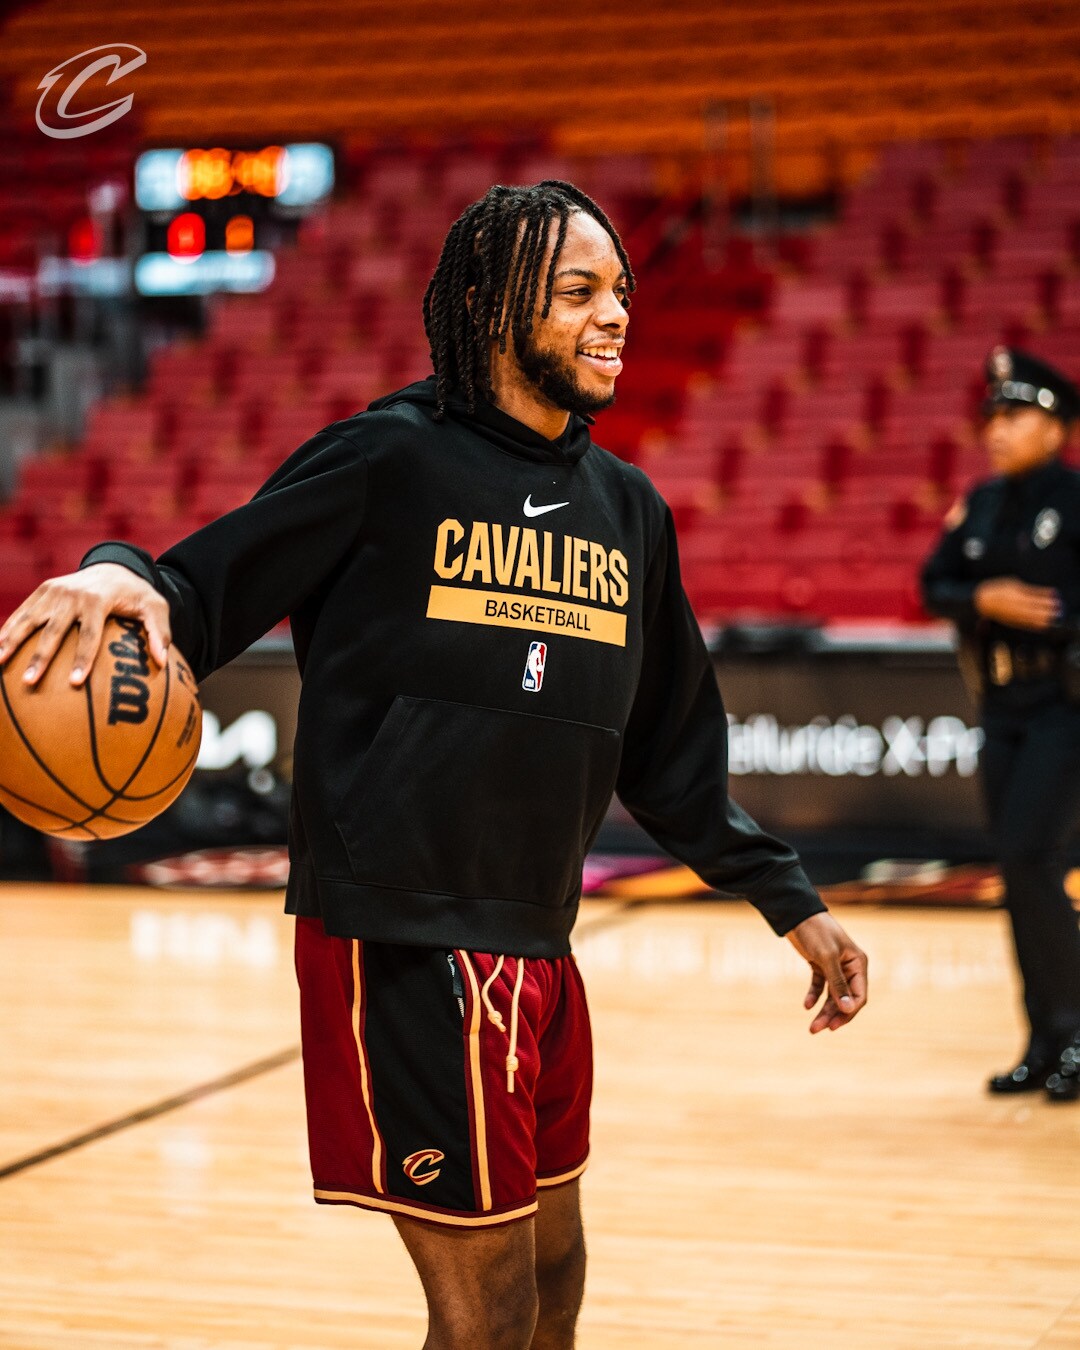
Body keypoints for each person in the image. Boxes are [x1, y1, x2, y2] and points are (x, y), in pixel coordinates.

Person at [0, 181, 868, 1350]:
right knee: (488, 1314)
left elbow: (671, 750)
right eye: (577, 293)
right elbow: (204, 587)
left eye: (621, 292)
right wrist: (121, 571)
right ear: (487, 302)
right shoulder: (387, 459)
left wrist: (790, 901)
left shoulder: (629, 510)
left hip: (540, 939)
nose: (614, 317)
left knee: (555, 1281)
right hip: (404, 935)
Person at [921, 346, 1080, 1104]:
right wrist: (983, 600)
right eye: (992, 416)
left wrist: (1052, 618)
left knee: (1032, 859)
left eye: (1014, 415)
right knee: (1018, 871)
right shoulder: (981, 503)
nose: (996, 429)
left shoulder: (1076, 502)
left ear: (1058, 427)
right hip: (1003, 708)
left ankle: (1074, 1031)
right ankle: (1044, 1039)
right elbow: (935, 581)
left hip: (1064, 705)